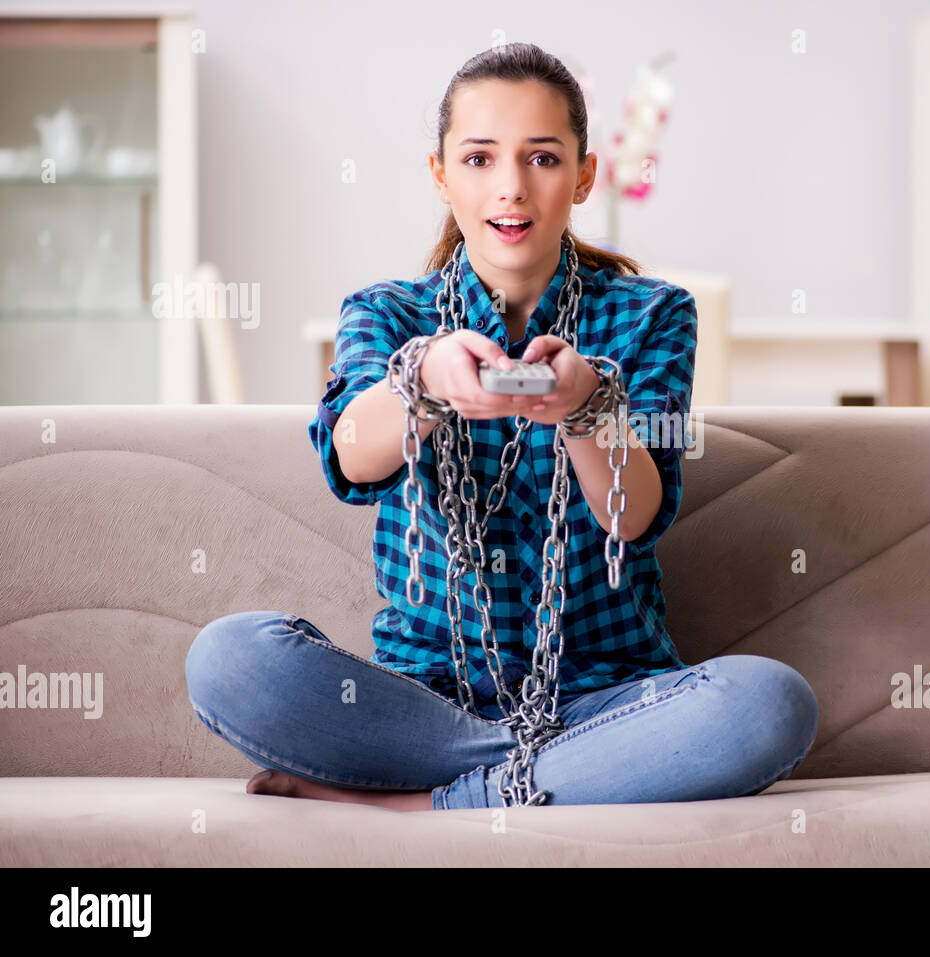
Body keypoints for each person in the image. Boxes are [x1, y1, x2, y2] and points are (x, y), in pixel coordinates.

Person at [185, 41, 818, 811]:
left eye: (543, 159)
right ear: (441, 175)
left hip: (603, 701)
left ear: (584, 175)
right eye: (479, 159)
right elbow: (350, 457)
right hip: (426, 710)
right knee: (230, 658)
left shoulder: (653, 315)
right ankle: (530, 777)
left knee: (771, 703)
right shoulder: (388, 314)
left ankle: (428, 803)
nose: (511, 188)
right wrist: (422, 381)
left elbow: (634, 513)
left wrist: (586, 410)